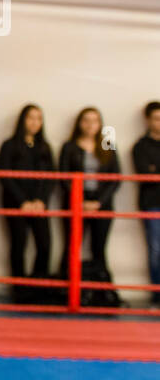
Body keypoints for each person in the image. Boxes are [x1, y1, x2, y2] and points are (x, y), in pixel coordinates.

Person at [0, 104, 55, 296]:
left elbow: (51, 177)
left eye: (39, 118)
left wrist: (41, 201)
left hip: (39, 205)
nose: (35, 122)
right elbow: (5, 176)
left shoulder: (45, 147)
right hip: (16, 203)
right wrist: (23, 202)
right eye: (31, 117)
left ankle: (39, 287)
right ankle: (20, 290)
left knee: (45, 244)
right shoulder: (10, 145)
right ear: (22, 120)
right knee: (19, 244)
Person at [58, 107, 120, 273]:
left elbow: (115, 178)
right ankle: (66, 284)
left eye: (94, 120)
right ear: (79, 123)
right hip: (75, 202)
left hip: (102, 203)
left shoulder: (108, 145)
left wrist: (99, 202)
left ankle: (101, 286)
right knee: (72, 246)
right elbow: (63, 178)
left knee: (99, 248)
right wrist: (80, 201)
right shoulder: (69, 147)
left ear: (100, 124)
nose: (90, 124)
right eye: (86, 120)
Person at [133, 101, 160, 305]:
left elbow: (152, 171)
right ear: (148, 120)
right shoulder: (141, 146)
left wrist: (155, 169)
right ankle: (157, 296)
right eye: (156, 118)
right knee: (156, 250)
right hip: (152, 203)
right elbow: (145, 173)